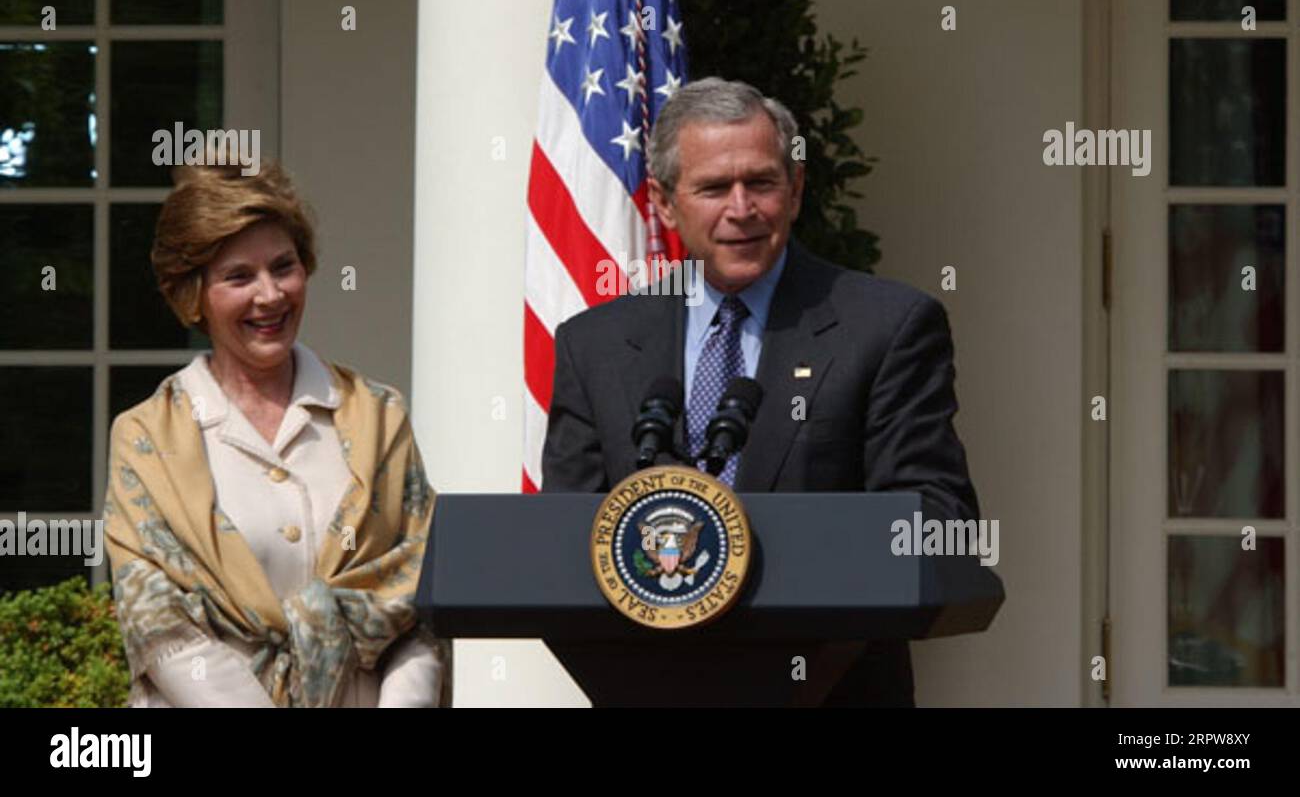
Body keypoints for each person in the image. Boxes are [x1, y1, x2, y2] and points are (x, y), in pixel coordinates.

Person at [541, 76, 981, 705]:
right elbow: (568, 540)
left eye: (762, 183)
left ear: (795, 189)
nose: (741, 208)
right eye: (715, 188)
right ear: (665, 204)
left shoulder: (886, 327)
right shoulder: (596, 346)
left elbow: (936, 517)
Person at [103, 156, 450, 707]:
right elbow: (162, 630)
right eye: (239, 276)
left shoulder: (380, 416)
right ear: (193, 294)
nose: (270, 295)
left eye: (283, 267)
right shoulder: (148, 439)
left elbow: (423, 601)